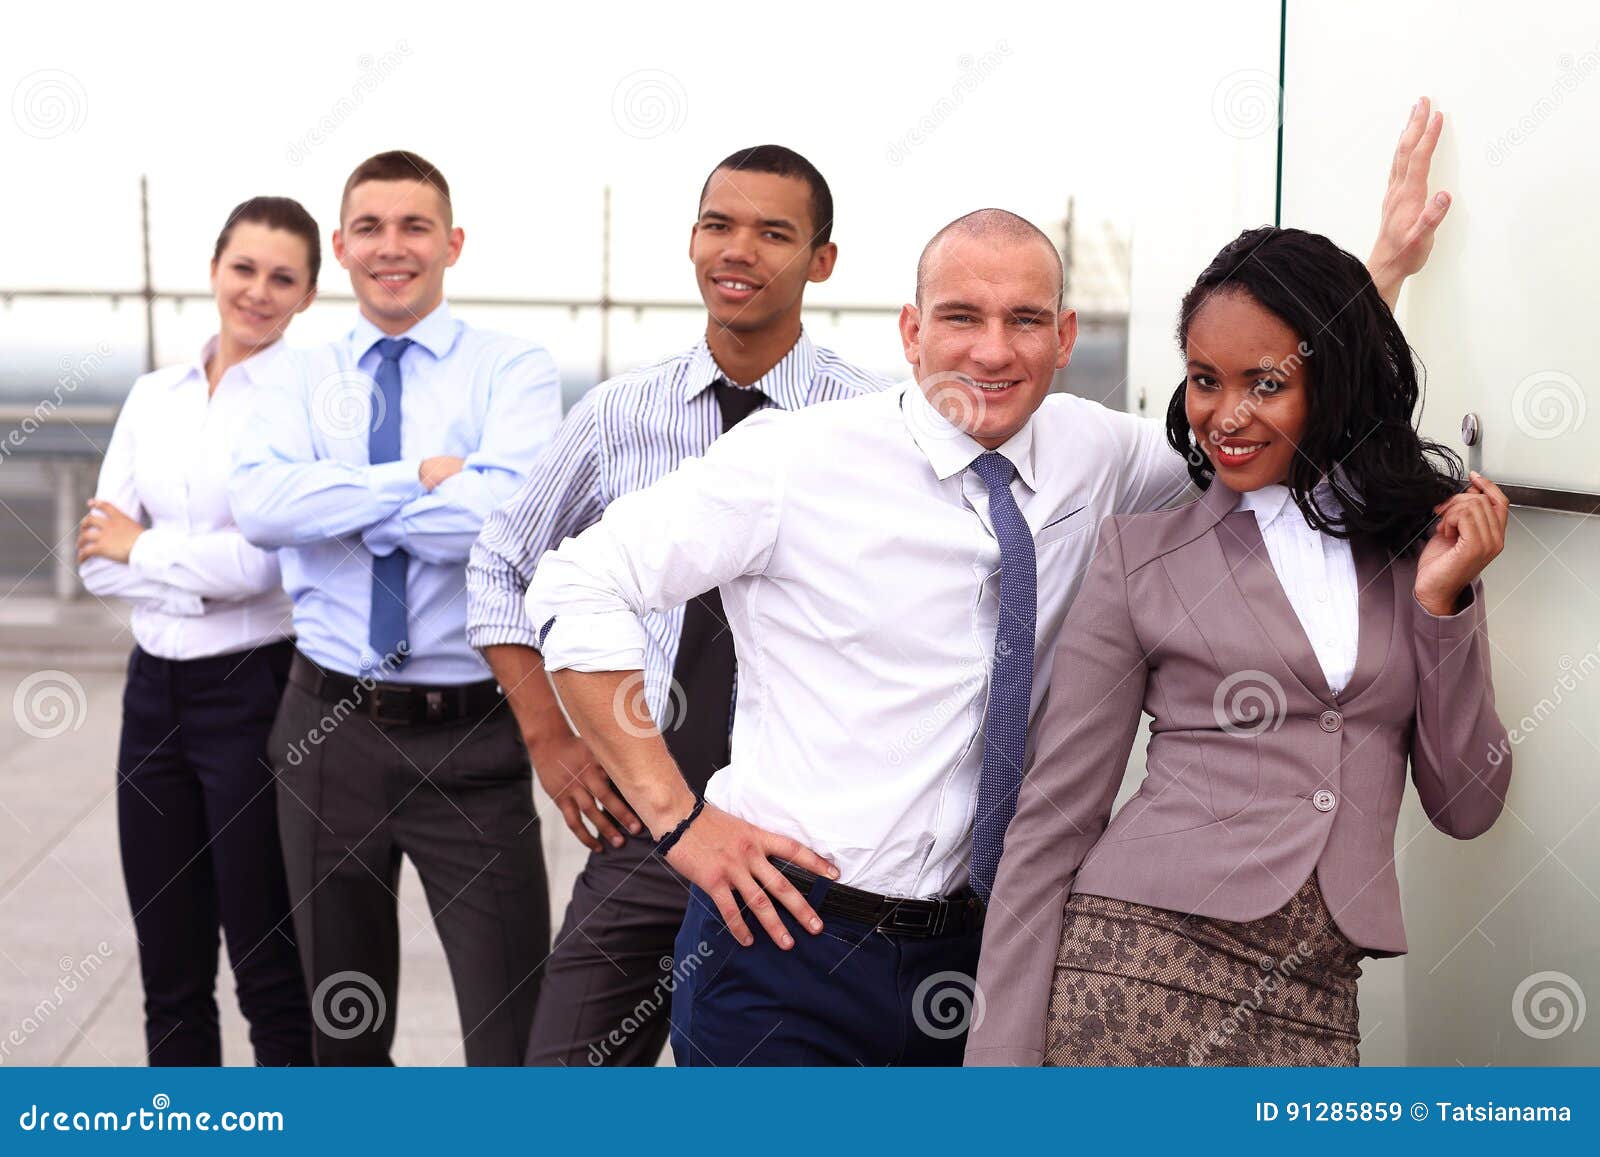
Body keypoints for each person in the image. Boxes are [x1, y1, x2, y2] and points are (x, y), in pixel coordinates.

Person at [523, 101, 1450, 1067]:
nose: (994, 351)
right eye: (961, 317)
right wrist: (679, 820)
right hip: (786, 944)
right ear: (912, 331)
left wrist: (1376, 278)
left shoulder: (1100, 453)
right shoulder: (794, 459)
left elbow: (1264, 414)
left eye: (1026, 320)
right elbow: (576, 585)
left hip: (976, 956)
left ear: (1065, 334)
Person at [965, 225, 1512, 1067]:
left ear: (1333, 380)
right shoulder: (1141, 555)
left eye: (1266, 383)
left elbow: (1467, 806)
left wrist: (1444, 605)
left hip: (1319, 995)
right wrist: (996, 1070)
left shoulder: (1418, 551)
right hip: (1137, 970)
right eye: (1204, 380)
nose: (1226, 416)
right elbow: (1055, 817)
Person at [467, 145, 888, 1066]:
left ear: (821, 260)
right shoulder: (619, 414)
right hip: (651, 820)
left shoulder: (871, 422)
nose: (738, 249)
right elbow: (500, 563)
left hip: (804, 839)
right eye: (718, 225)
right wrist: (550, 738)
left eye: (773, 232)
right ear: (692, 240)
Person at [229, 151, 562, 1065]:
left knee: (513, 1040)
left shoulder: (513, 367)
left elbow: (508, 519)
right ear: (340, 246)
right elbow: (261, 508)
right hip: (327, 735)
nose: (392, 246)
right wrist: (418, 476)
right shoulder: (293, 375)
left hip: (472, 739)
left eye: (415, 226)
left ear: (453, 243)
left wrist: (335, 499)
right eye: (370, 227)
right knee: (344, 1043)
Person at [78, 196, 319, 1066]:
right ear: (215, 269)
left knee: (270, 970)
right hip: (152, 696)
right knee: (169, 974)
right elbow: (95, 560)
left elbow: (267, 566)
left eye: (282, 277)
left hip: (256, 692)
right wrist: (193, 578)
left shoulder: (306, 402)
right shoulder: (154, 395)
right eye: (243, 268)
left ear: (308, 294)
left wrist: (145, 550)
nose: (258, 291)